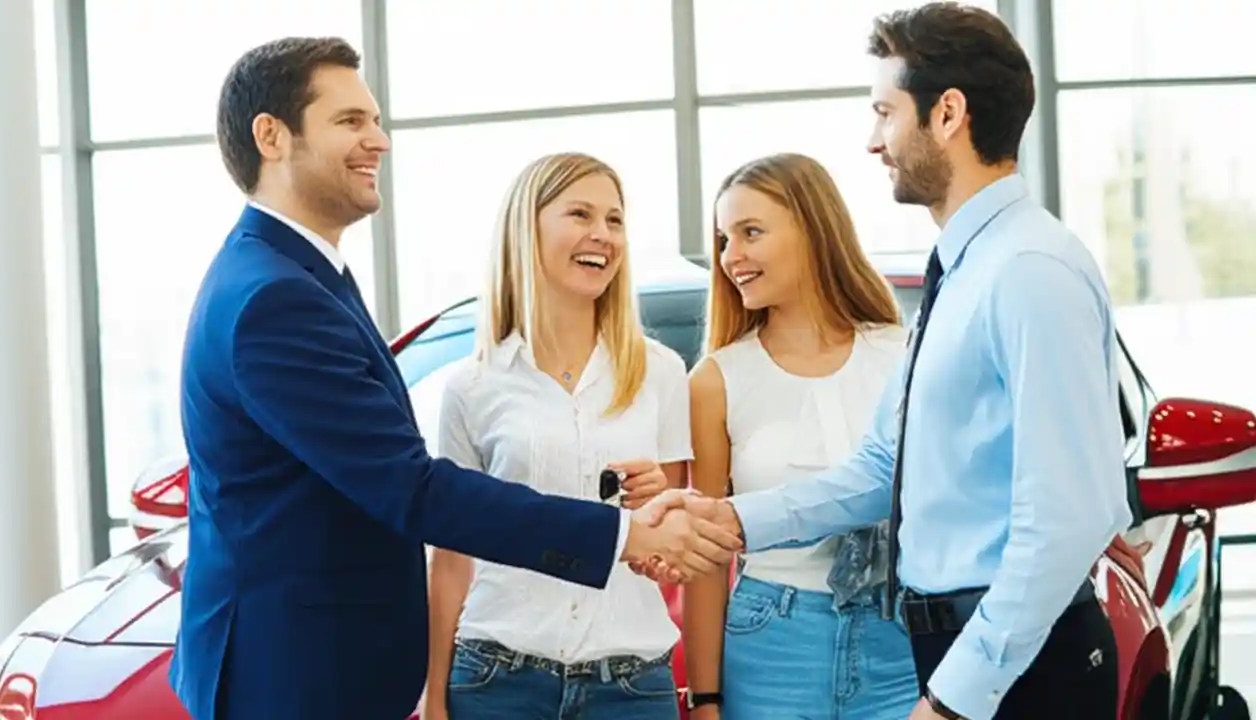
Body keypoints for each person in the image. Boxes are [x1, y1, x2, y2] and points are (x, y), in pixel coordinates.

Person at [171, 37, 739, 720]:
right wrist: (620, 535)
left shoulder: (295, 279)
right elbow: (411, 489)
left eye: (376, 121)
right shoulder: (276, 298)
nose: (377, 141)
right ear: (272, 136)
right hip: (299, 676)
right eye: (350, 121)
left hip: (323, 665)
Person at [657, 4, 1131, 719]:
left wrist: (952, 699)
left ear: (947, 114)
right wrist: (727, 521)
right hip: (953, 651)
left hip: (1017, 667)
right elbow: (884, 468)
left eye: (885, 112)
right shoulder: (965, 272)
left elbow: (1068, 518)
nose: (874, 141)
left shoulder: (1030, 272)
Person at [423, 152, 690, 720]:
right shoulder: (473, 386)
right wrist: (435, 693)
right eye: (580, 214)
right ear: (528, 228)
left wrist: (659, 504)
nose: (603, 235)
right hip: (497, 679)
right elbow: (451, 554)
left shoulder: (662, 373)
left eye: (615, 220)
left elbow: (677, 547)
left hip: (631, 688)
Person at [680, 153, 919, 720]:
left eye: (750, 232)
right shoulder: (715, 381)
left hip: (900, 641)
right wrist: (706, 699)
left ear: (813, 229)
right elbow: (708, 560)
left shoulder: (904, 355)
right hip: (770, 643)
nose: (730, 256)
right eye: (724, 238)